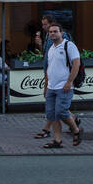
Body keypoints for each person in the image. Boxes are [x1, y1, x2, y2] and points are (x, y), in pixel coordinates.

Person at [33, 12, 76, 140]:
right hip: (50, 74)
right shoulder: (47, 36)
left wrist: (69, 81)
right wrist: (39, 44)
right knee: (55, 108)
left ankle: (50, 129)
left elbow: (70, 58)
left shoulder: (63, 37)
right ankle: (73, 121)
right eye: (43, 24)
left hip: (62, 80)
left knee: (57, 108)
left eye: (45, 24)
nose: (43, 27)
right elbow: (48, 54)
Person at [41, 21, 82, 149]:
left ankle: (76, 130)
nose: (52, 34)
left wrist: (69, 82)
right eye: (50, 32)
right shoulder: (50, 49)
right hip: (51, 87)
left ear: (61, 33)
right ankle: (57, 141)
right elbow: (49, 69)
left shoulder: (68, 45)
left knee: (61, 111)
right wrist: (46, 86)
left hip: (64, 86)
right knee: (52, 116)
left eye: (55, 31)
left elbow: (76, 64)